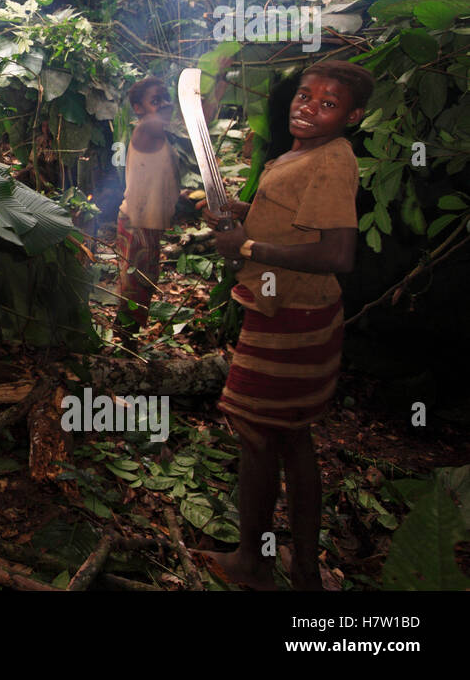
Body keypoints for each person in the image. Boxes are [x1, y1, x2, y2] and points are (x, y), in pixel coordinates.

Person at [196, 60, 374, 590]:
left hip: (291, 318)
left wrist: (246, 245)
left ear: (353, 115)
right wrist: (243, 210)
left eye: (328, 103)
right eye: (305, 94)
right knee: (293, 436)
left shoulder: (333, 160)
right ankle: (301, 573)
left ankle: (252, 563)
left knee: (254, 433)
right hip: (292, 309)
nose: (308, 106)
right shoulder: (307, 152)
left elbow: (338, 252)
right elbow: (293, 218)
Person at [115, 76, 181, 350]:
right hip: (137, 223)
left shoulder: (158, 133)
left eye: (166, 98)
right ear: (139, 109)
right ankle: (124, 345)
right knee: (135, 285)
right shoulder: (146, 129)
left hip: (146, 222)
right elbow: (188, 122)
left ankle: (126, 342)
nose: (165, 104)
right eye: (156, 101)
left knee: (142, 284)